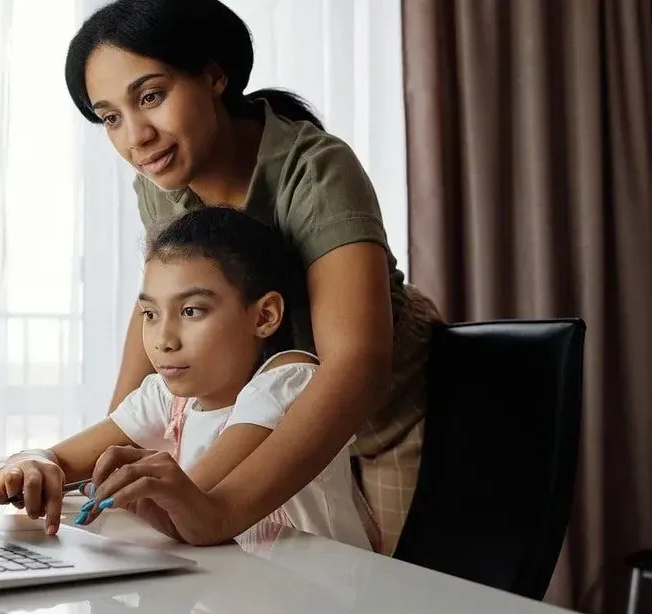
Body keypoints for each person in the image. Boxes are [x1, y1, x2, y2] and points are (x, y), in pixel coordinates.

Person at [55, 0, 445, 553]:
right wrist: (102, 463)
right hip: (265, 418)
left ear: (215, 76)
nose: (135, 136)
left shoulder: (315, 169)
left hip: (382, 419)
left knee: (391, 591)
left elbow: (355, 364)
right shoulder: (160, 183)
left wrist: (222, 509)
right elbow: (157, 304)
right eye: (111, 116)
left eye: (151, 96)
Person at [0, 206, 378, 551]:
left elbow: (193, 503)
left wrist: (116, 486)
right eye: (150, 314)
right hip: (233, 588)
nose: (163, 340)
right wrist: (30, 464)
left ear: (263, 316)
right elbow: (60, 457)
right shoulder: (168, 397)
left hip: (320, 593)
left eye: (191, 311)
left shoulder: (289, 381)